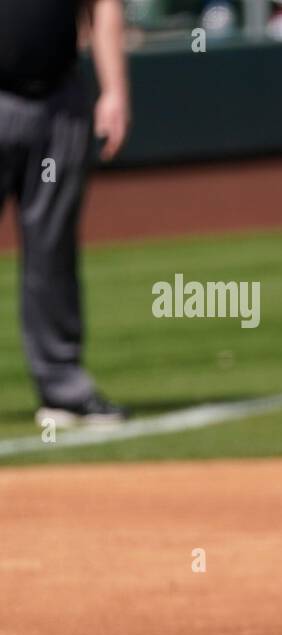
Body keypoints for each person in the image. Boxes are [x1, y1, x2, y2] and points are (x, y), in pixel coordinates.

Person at [0, 0, 130, 426]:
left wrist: (114, 91)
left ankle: (63, 390)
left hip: (58, 98)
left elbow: (104, 4)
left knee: (52, 250)